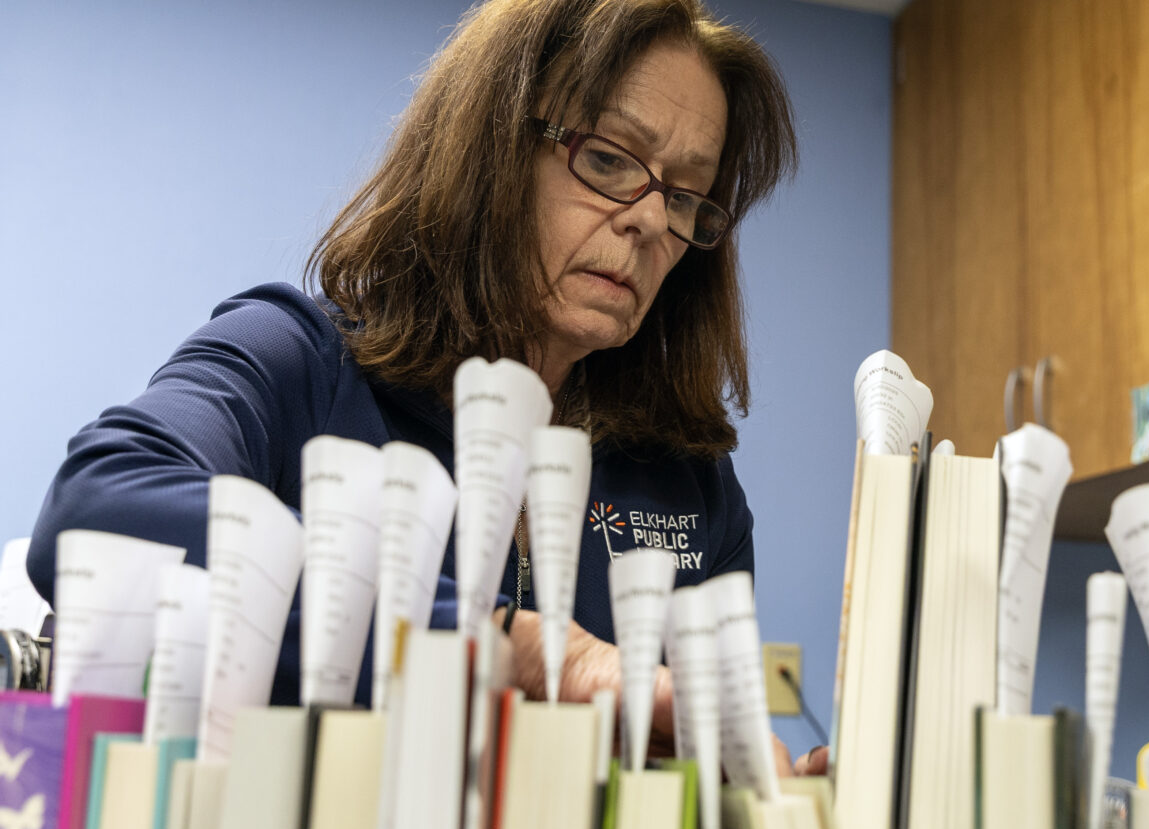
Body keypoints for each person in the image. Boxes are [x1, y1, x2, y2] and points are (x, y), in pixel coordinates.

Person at [26, 0, 806, 772]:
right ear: (492, 150)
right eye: (607, 159)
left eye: (681, 196)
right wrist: (503, 643)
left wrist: (766, 807)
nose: (646, 222)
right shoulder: (300, 359)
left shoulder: (694, 489)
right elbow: (101, 507)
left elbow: (687, 760)